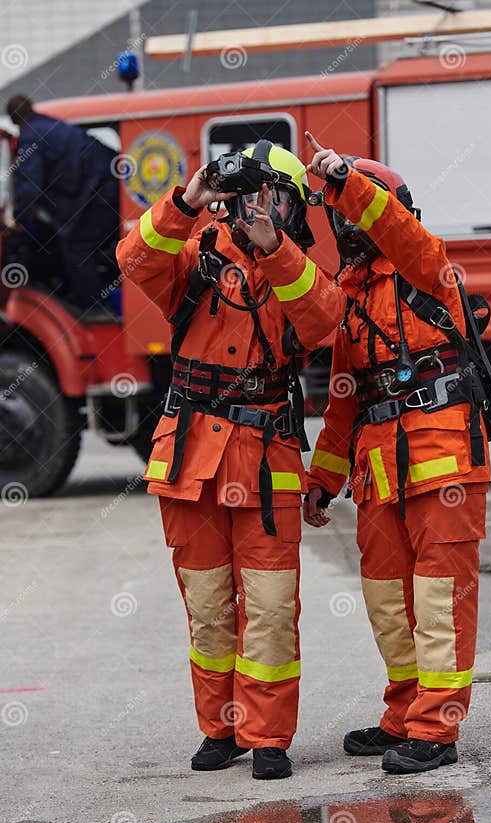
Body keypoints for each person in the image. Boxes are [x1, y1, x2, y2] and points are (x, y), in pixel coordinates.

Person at [116, 140, 344, 780]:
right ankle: (221, 728)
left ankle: (268, 737)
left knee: (271, 608)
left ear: (294, 209)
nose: (261, 207)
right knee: (208, 603)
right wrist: (189, 199)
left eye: (276, 199)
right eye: (251, 194)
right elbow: (133, 258)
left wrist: (273, 248)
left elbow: (323, 321)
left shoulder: (297, 269)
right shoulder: (197, 256)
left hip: (266, 461)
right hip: (192, 459)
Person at [304, 131, 491, 775]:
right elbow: (343, 400)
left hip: (444, 460)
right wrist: (321, 480)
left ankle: (437, 727)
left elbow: (400, 234)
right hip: (379, 471)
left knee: (440, 599)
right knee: (388, 601)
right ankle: (405, 712)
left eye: (347, 214)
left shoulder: (426, 266)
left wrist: (343, 180)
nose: (341, 227)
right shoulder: (350, 298)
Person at [6, 94, 119, 316]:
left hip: (97, 196)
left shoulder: (30, 136)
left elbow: (29, 187)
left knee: (76, 248)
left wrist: (18, 218)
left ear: (14, 120)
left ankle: (95, 310)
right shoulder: (51, 125)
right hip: (108, 189)